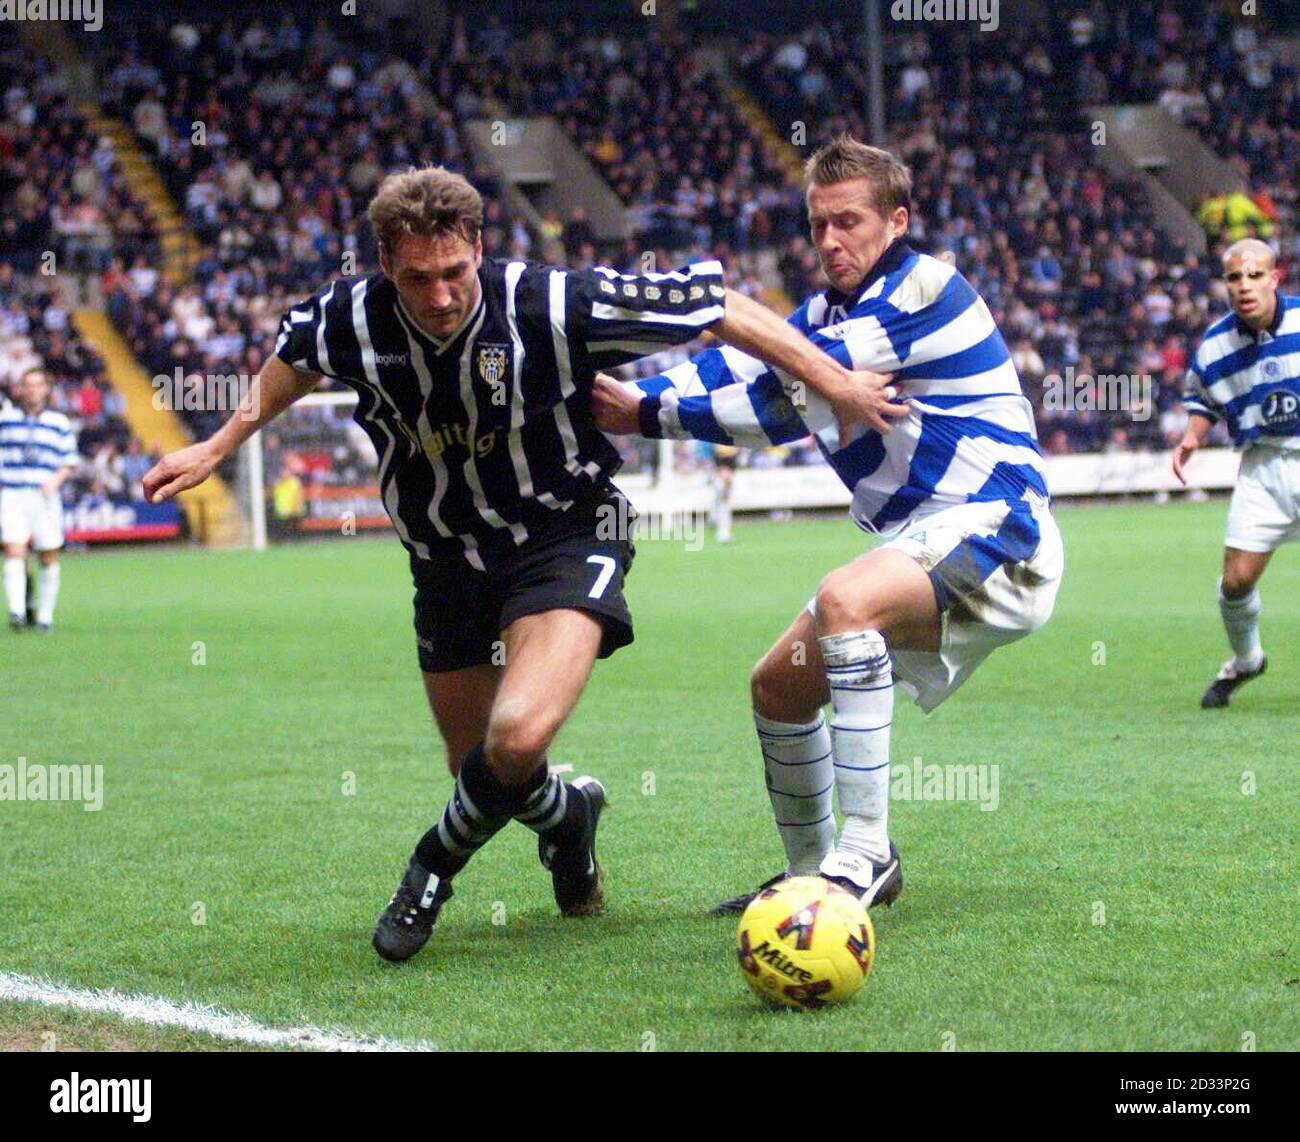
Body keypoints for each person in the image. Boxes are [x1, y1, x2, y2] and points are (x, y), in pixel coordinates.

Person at [142, 164, 900, 963]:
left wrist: (835, 381)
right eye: (415, 279)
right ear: (382, 265)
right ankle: (569, 817)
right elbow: (294, 356)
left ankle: (432, 866)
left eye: (453, 272)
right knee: (485, 766)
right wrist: (221, 442)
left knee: (517, 734)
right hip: (442, 560)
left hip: (564, 532)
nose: (437, 296)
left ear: (478, 244)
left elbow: (719, 305)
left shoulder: (551, 301)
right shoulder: (350, 317)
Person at [594, 136, 1064, 911]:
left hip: (999, 529)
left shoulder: (923, 291)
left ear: (897, 220)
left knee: (845, 600)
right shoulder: (820, 314)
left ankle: (865, 852)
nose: (830, 241)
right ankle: (813, 873)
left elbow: (786, 402)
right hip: (923, 541)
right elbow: (739, 369)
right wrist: (629, 390)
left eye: (848, 221)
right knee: (778, 687)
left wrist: (644, 411)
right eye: (818, 225)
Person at [1174, 238, 1297, 708]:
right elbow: (1203, 399)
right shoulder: (1215, 345)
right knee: (1235, 582)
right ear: (1225, 284)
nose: (1245, 286)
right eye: (1234, 277)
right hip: (1262, 467)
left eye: (1255, 275)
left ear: (1274, 278)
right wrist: (1192, 436)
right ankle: (1247, 660)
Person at [1, 367, 77, 633]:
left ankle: (45, 616)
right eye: (27, 384)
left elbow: (69, 460)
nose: (32, 390)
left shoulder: (58, 422)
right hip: (12, 494)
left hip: (44, 495)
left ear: (46, 389)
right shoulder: (6, 419)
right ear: (20, 389)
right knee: (14, 549)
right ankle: (17, 611)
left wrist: (56, 480)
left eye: (37, 385)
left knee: (48, 555)